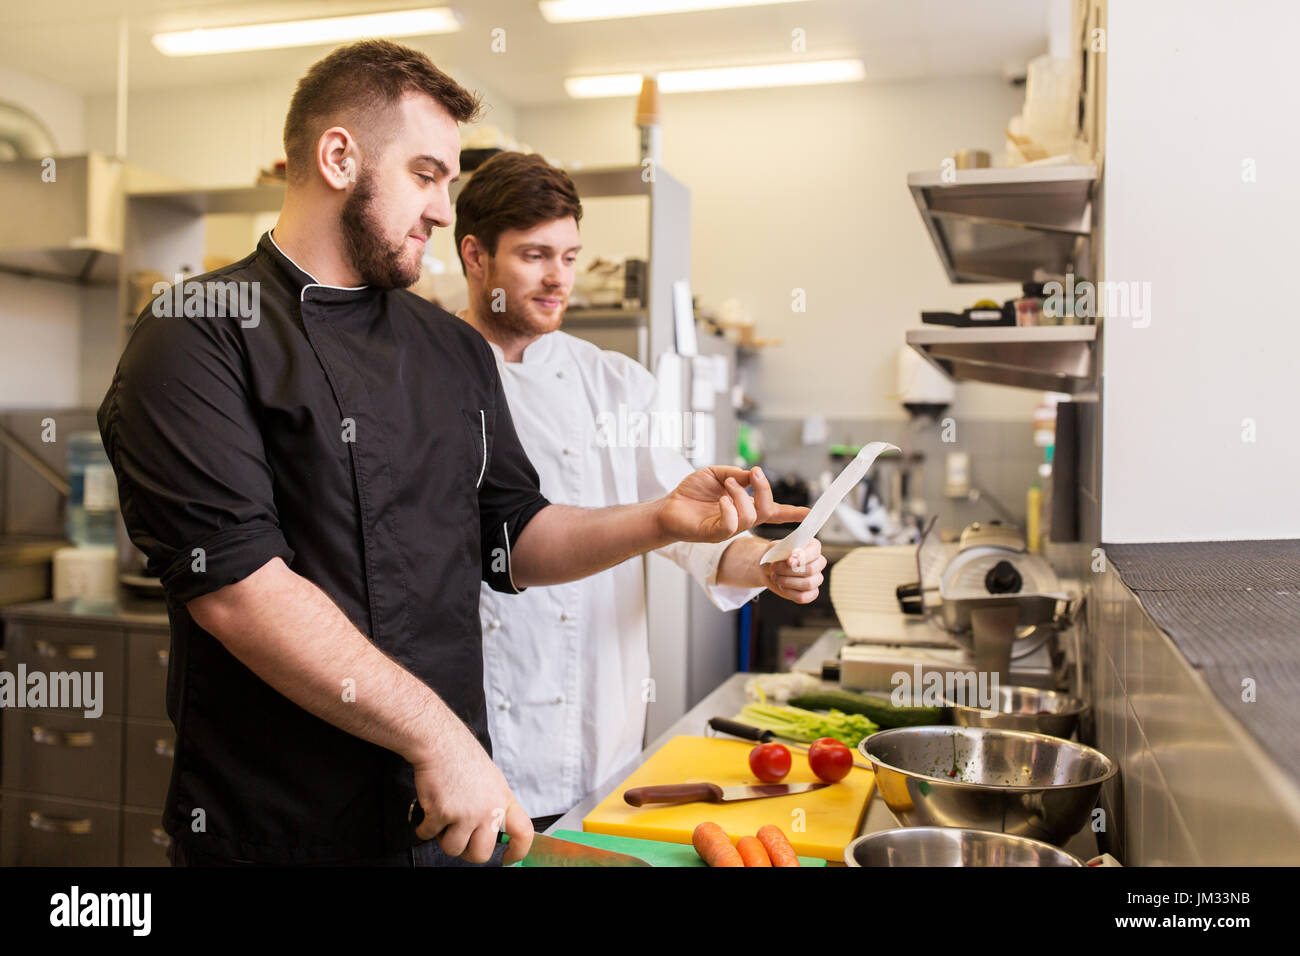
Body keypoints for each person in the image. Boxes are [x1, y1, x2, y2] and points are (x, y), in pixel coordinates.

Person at [97, 40, 806, 867]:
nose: (442, 209)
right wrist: (438, 734)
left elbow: (514, 539)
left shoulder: (450, 351)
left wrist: (660, 518)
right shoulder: (199, 333)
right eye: (427, 174)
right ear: (338, 157)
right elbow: (239, 589)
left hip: (448, 822)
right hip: (282, 827)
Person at [453, 152, 827, 829]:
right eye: (535, 256)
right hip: (473, 742)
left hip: (599, 731)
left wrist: (769, 564)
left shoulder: (615, 384)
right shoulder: (426, 374)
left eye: (569, 256)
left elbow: (690, 534)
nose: (557, 279)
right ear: (474, 255)